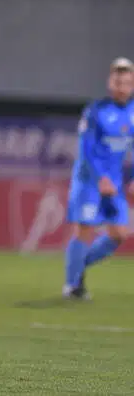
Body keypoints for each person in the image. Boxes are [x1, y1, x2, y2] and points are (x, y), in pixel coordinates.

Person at [64, 57, 134, 299]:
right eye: (117, 82)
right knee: (85, 231)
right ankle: (72, 286)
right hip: (89, 180)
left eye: (126, 83)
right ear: (109, 83)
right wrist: (100, 177)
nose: (121, 87)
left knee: (119, 234)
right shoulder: (96, 110)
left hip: (113, 183)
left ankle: (78, 267)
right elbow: (87, 148)